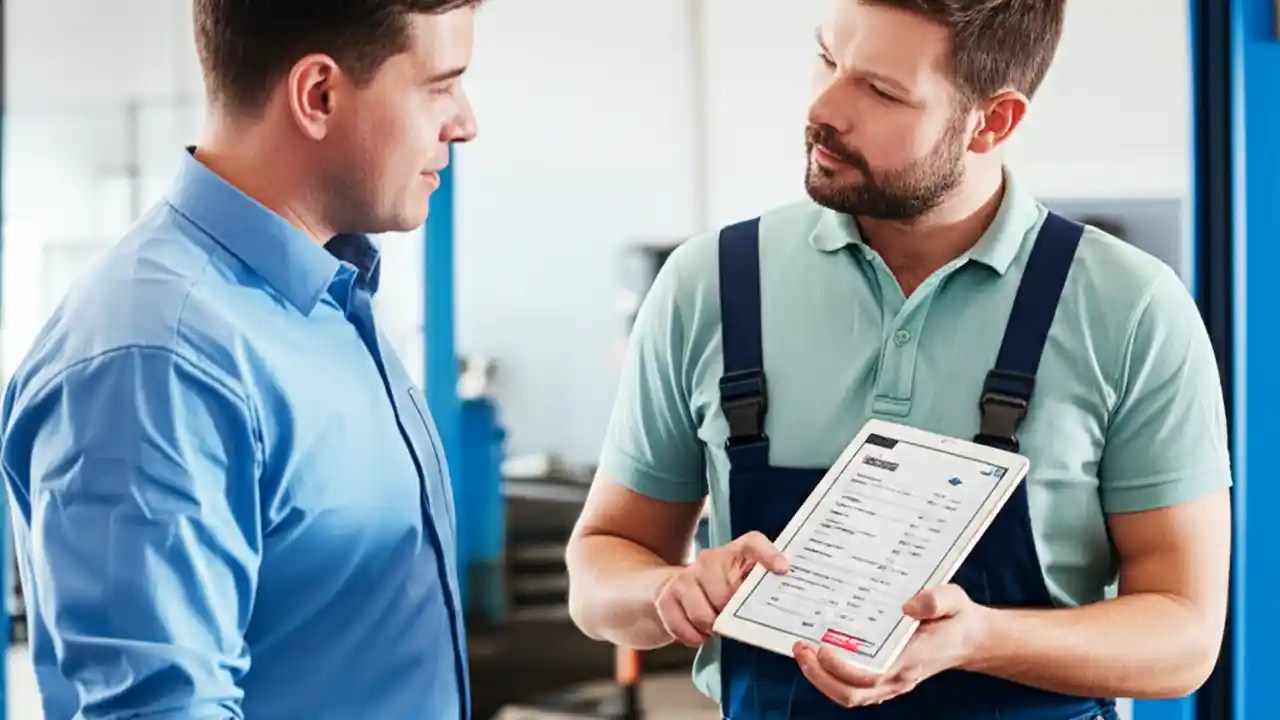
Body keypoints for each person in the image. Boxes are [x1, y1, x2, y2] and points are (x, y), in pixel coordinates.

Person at [565, 1, 1232, 718]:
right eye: (826, 59)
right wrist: (665, 592)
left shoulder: (1130, 309)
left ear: (993, 121)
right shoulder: (711, 287)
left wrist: (982, 639)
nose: (822, 107)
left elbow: (1183, 637)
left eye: (880, 91)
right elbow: (602, 569)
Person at [1, 1, 480, 718]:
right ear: (317, 95)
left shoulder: (324, 301)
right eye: (440, 85)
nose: (465, 121)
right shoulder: (157, 359)